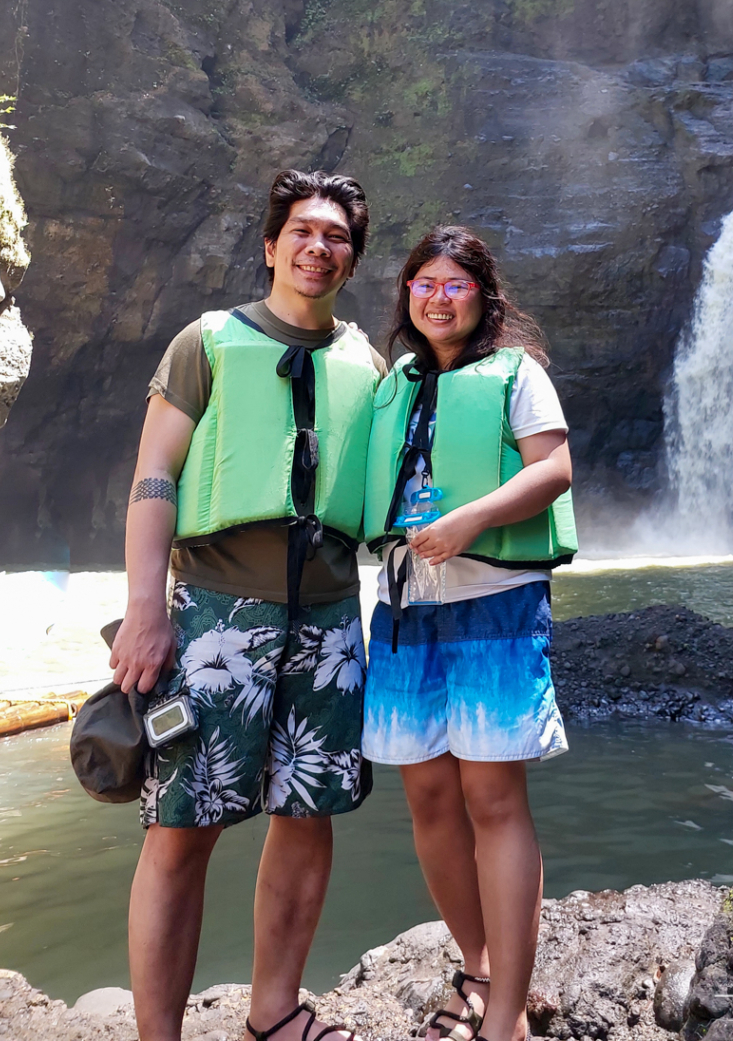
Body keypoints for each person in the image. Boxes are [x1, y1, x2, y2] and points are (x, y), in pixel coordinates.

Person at [108, 168, 385, 1041]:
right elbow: (154, 478)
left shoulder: (369, 363)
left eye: (336, 236)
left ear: (352, 259)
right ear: (271, 248)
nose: (318, 246)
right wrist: (145, 610)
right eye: (302, 230)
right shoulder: (206, 342)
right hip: (215, 618)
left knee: (309, 817)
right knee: (181, 826)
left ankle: (275, 1014)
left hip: (334, 621)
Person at [361, 226, 578, 1041]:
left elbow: (552, 468)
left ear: (483, 296)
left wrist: (468, 522)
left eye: (456, 283)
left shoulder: (517, 373)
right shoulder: (395, 387)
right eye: (424, 283)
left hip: (495, 598)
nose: (438, 296)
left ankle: (507, 1018)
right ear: (407, 296)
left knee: (491, 796)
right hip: (407, 605)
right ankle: (480, 969)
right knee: (426, 794)